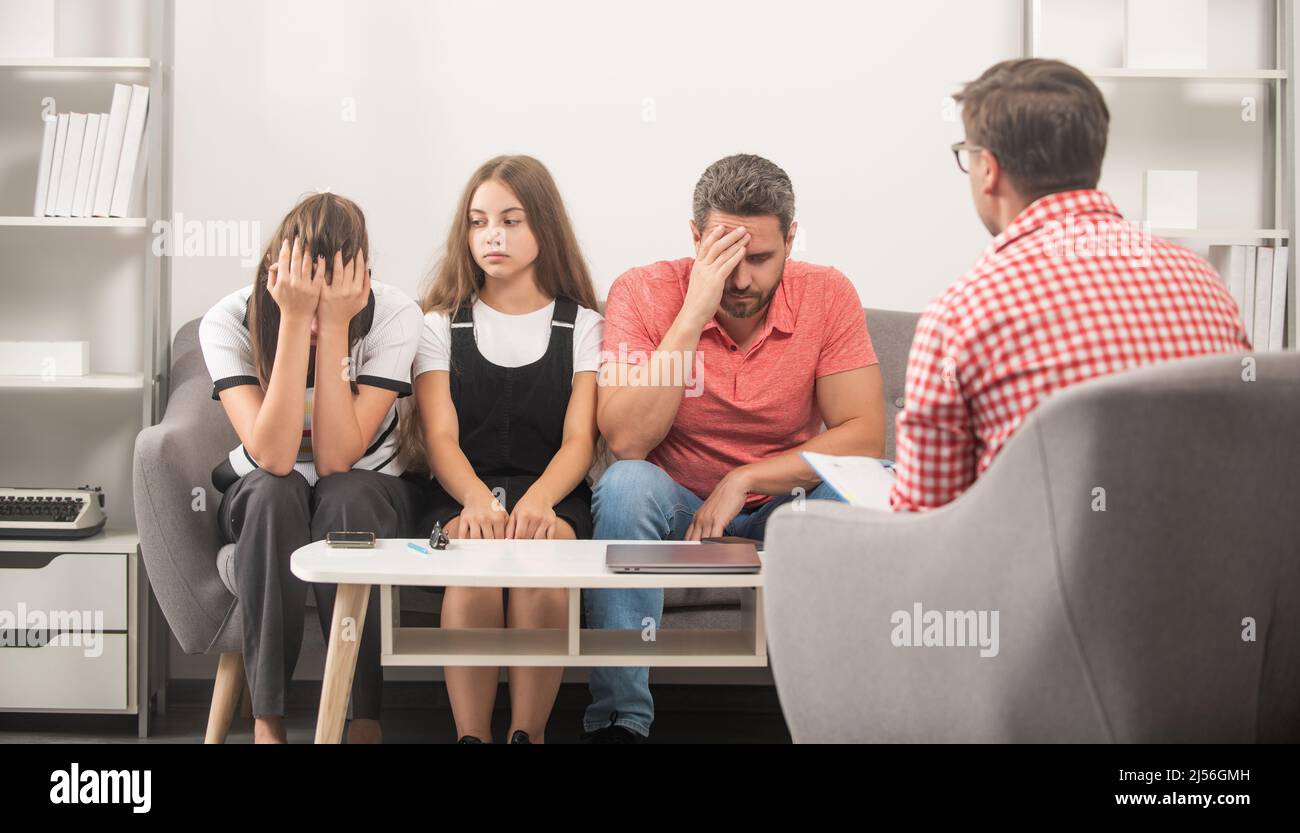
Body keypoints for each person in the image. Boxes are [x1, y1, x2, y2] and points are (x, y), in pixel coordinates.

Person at [587, 153, 885, 742]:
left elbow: (863, 436)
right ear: (696, 239)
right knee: (625, 484)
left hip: (782, 509)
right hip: (677, 512)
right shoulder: (643, 290)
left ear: (791, 240)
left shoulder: (827, 293)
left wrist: (744, 478)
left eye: (760, 258)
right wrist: (695, 309)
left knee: (867, 486)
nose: (743, 280)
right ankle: (620, 722)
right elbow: (625, 440)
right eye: (724, 257)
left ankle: (845, 723)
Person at [890, 59, 1253, 513]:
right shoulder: (1204, 282)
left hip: (1046, 582)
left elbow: (924, 524)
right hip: (1215, 577)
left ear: (990, 171)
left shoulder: (961, 312)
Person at [201, 192, 424, 744]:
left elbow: (335, 458)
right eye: (307, 293)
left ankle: (363, 713)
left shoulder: (394, 313)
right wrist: (295, 321)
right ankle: (267, 719)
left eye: (339, 297)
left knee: (345, 495)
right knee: (275, 493)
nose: (323, 311)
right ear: (277, 277)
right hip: (265, 490)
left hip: (367, 485)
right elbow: (273, 457)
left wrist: (337, 327)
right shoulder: (228, 320)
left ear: (362, 281)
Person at [403, 156, 603, 744]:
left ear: (545, 227)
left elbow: (578, 440)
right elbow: (439, 438)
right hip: (461, 495)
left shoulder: (584, 325)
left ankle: (527, 733)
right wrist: (477, 504)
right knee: (474, 572)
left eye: (512, 220)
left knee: (543, 569)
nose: (493, 234)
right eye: (479, 221)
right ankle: (472, 735)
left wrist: (539, 503)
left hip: (555, 495)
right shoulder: (439, 324)